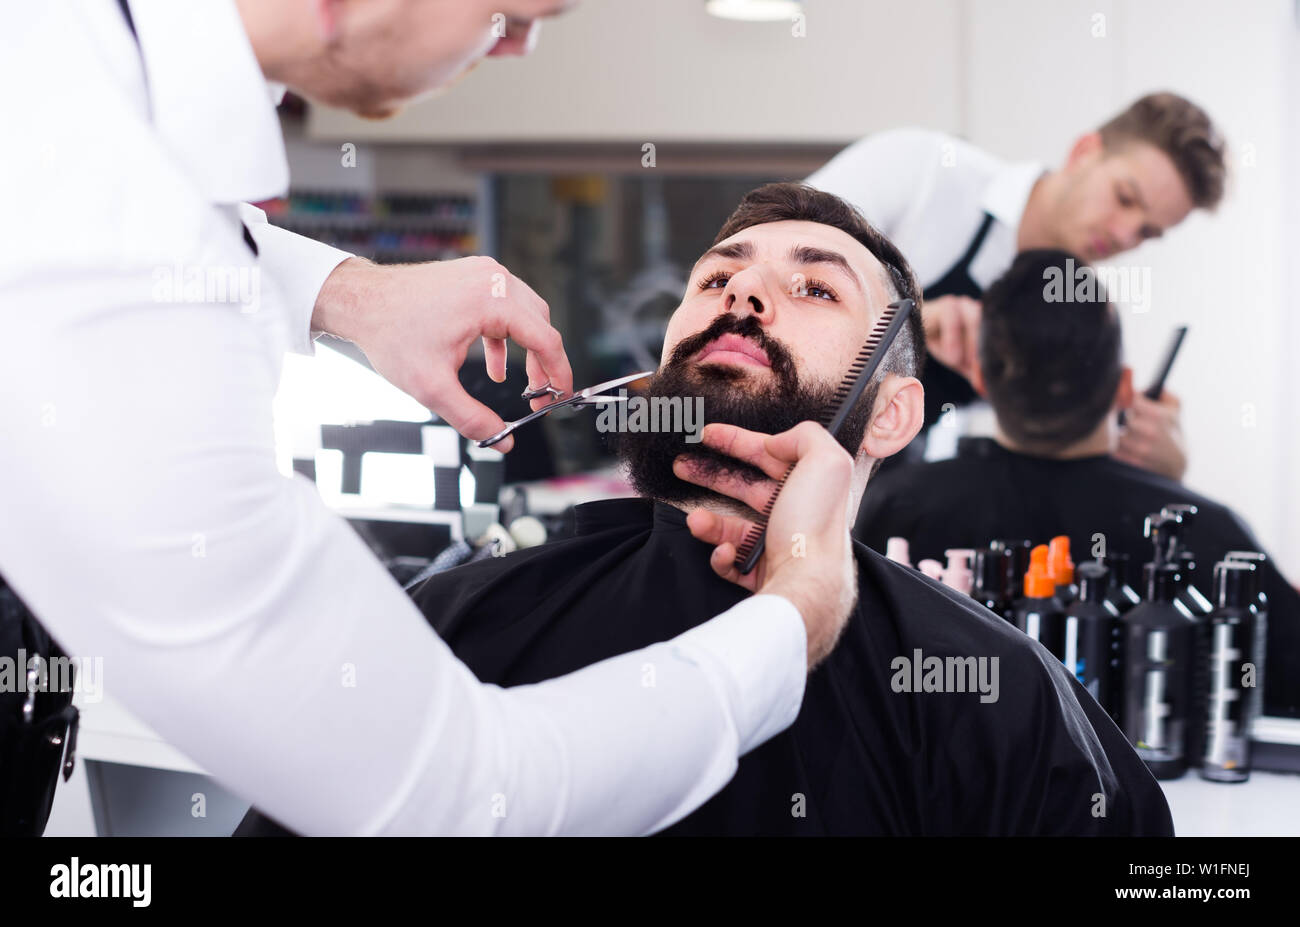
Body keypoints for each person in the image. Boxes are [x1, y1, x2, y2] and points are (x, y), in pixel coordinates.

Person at [0, 1, 863, 836]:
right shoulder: (106, 265)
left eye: (818, 288)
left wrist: (355, 293)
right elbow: (456, 797)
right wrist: (800, 610)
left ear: (894, 412)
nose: (519, 46)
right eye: (514, 11)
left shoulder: (71, 84)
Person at [239, 184, 1175, 836]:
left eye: (815, 287)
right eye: (716, 278)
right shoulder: (460, 623)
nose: (743, 292)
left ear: (892, 414)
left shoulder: (992, 691)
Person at [855, 250, 1299, 719]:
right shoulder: (1211, 534)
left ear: (982, 379)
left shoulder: (889, 504)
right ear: (1124, 388)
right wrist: (1172, 492)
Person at [807, 92, 1227, 482]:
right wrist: (903, 329)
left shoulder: (1081, 310)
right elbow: (771, 276)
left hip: (875, 497)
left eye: (1148, 232)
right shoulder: (923, 171)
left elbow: (1069, 462)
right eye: (1124, 197)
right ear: (1083, 153)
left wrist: (1156, 461)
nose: (1124, 235)